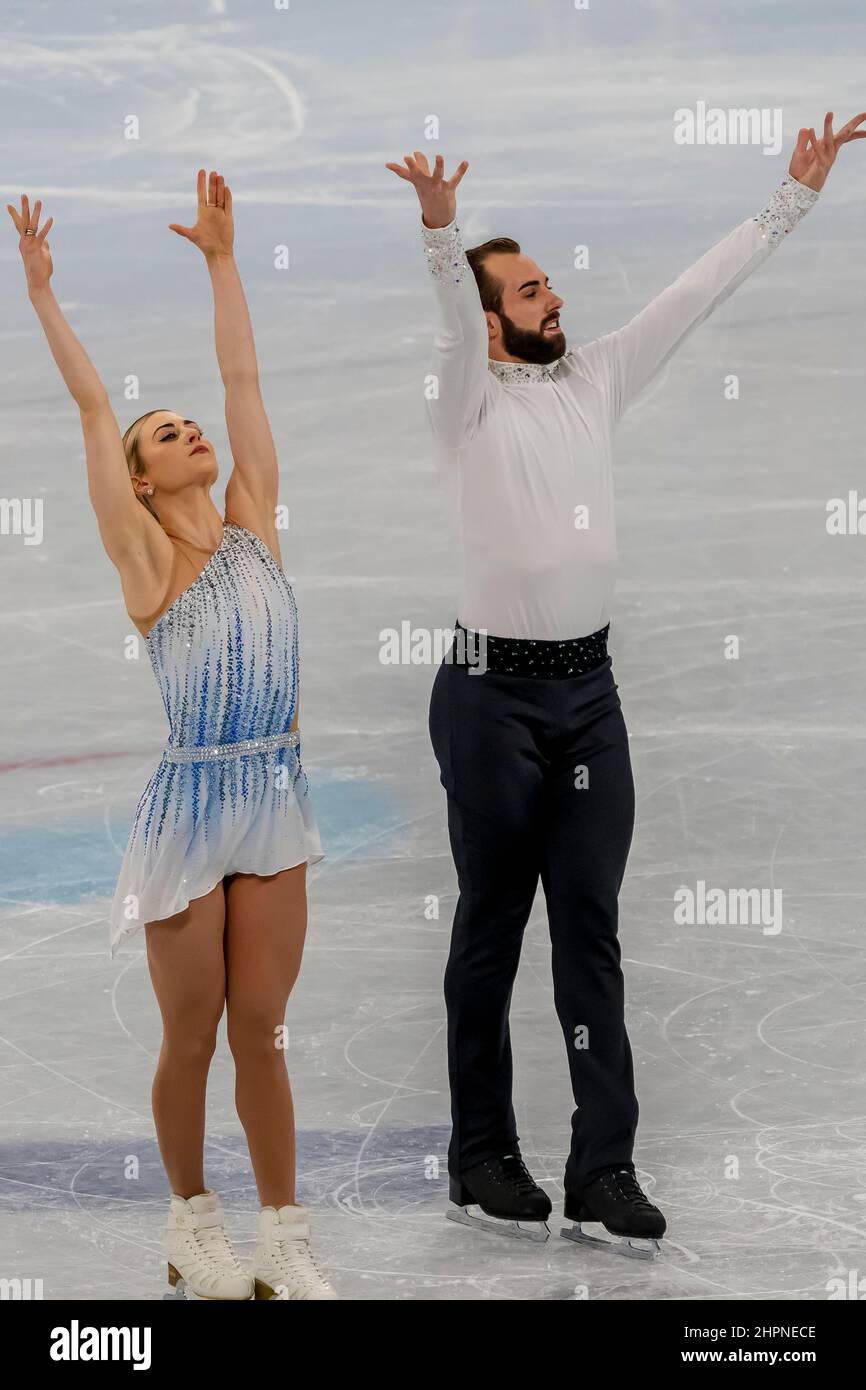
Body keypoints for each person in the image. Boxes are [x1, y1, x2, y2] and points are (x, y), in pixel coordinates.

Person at [387, 111, 865, 1259]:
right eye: (532, 291)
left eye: (549, 283)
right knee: (491, 930)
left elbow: (692, 296)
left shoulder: (592, 380)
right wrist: (443, 239)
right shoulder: (470, 401)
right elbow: (457, 329)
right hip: (487, 697)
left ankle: (601, 1167)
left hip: (586, 697)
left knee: (588, 931)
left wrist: (788, 198)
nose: (555, 299)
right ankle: (479, 1156)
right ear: (496, 321)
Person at [7, 169, 336, 1300]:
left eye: (187, 422)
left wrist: (221, 261)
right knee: (192, 1032)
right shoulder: (149, 567)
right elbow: (95, 412)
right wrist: (44, 295)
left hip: (274, 799)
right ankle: (193, 1218)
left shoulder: (254, 525)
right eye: (165, 433)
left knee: (264, 1027)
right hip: (192, 810)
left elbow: (243, 376)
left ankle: (282, 1238)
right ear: (141, 483)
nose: (187, 428)